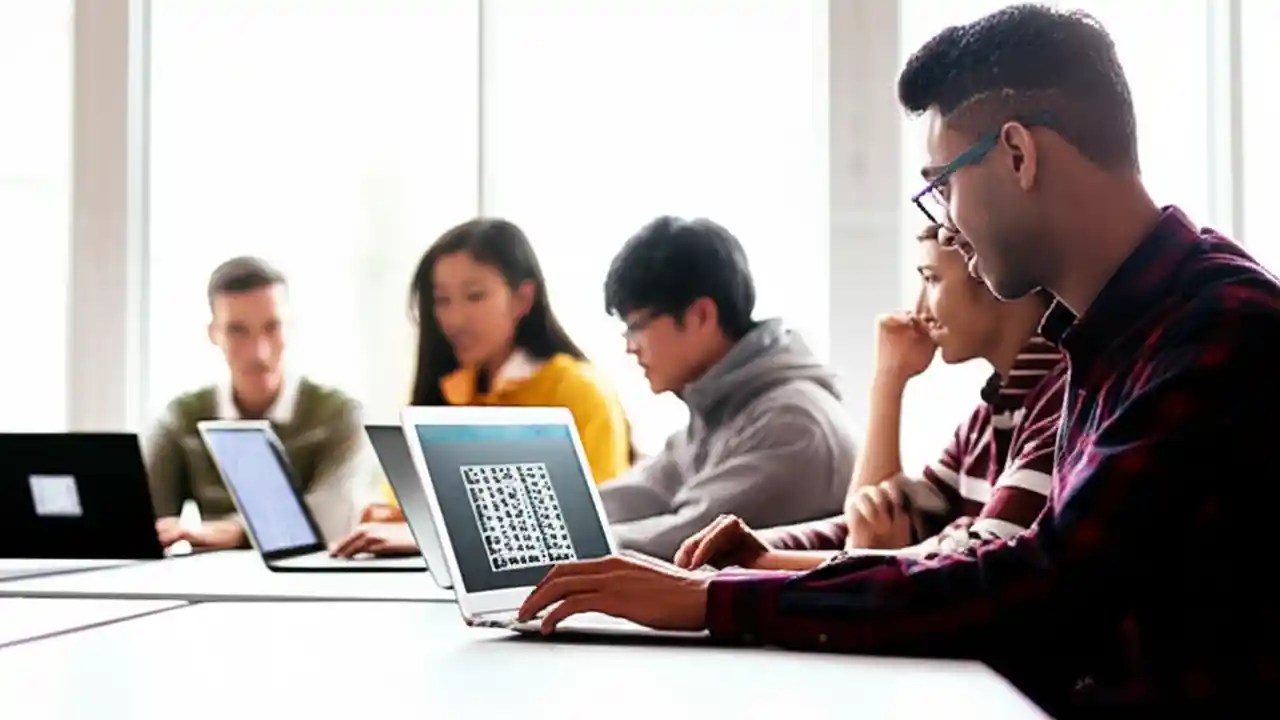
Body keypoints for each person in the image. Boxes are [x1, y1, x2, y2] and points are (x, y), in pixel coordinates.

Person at [516, 6, 1280, 713]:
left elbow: (1043, 588)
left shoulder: (1218, 331)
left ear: (1017, 153)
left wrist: (711, 601)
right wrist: (744, 580)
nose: (945, 221)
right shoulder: (1112, 333)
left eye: (942, 186)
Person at [733, 224, 1065, 572]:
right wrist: (751, 546)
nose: (919, 309)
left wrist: (762, 561)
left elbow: (967, 565)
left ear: (991, 274)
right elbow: (872, 519)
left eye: (932, 279)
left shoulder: (1059, 406)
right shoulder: (989, 417)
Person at [330, 218, 632, 558]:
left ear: (522, 299)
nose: (454, 319)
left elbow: (595, 521)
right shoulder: (450, 392)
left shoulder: (579, 391)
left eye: (474, 296)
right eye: (442, 300)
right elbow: (404, 504)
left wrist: (440, 539)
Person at [591, 215, 855, 560]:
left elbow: (686, 542)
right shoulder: (719, 410)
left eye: (637, 326)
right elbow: (637, 497)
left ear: (701, 315)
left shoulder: (793, 424)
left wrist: (556, 549)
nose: (630, 346)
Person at [146, 256, 368, 551]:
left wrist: (236, 531)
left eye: (272, 327)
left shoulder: (339, 415)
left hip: (309, 583)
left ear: (290, 326)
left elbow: (331, 516)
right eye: (237, 331)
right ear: (213, 333)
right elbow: (145, 517)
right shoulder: (181, 418)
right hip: (212, 581)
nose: (259, 352)